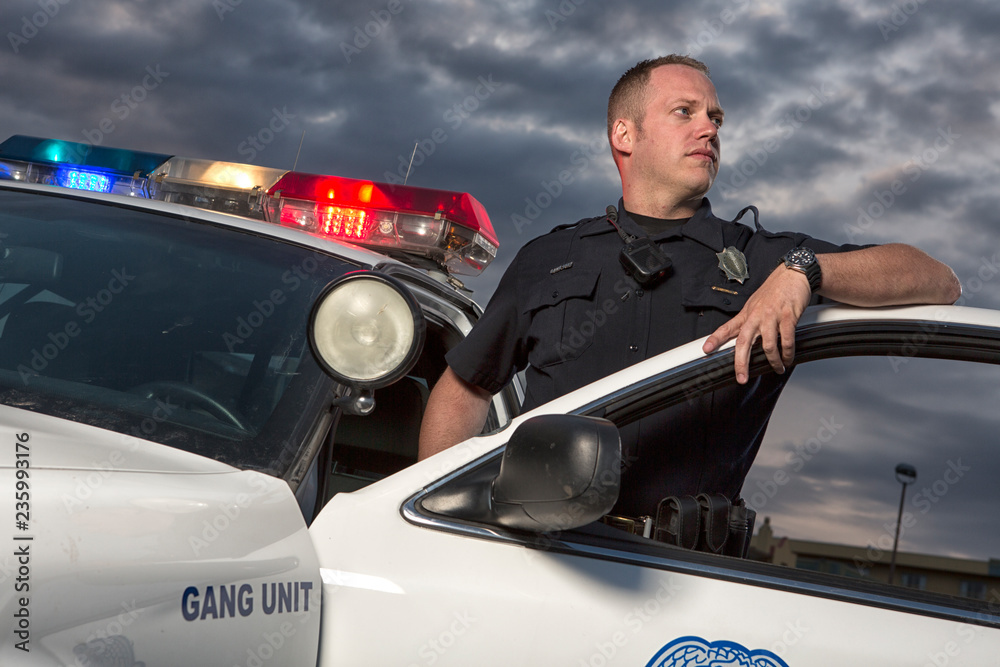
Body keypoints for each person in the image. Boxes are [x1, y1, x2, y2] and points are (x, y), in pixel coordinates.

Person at [417, 55, 960, 520]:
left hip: (688, 585)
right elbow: (466, 388)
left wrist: (804, 271)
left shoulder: (761, 260)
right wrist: (438, 511)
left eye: (715, 117)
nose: (710, 129)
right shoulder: (551, 257)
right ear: (624, 135)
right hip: (537, 557)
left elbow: (937, 280)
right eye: (686, 112)